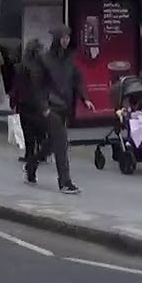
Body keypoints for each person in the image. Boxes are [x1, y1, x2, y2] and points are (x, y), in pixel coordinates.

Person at [40, 26, 94, 195]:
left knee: (52, 144)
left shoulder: (70, 60)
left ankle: (31, 165)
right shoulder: (46, 60)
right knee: (62, 143)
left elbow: (77, 81)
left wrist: (85, 99)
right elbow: (38, 86)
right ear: (56, 39)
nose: (66, 41)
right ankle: (65, 182)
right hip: (51, 107)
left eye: (68, 38)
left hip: (65, 106)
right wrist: (44, 107)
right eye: (63, 38)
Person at [13, 38, 49, 180]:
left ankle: (30, 156)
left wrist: (15, 101)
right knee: (40, 131)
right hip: (38, 104)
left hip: (24, 103)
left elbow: (17, 86)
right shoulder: (43, 67)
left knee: (28, 132)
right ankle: (39, 154)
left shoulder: (21, 66)